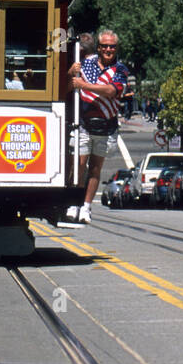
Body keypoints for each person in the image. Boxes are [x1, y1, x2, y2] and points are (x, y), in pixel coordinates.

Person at [66, 29, 128, 225]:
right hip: (84, 123)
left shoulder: (120, 70)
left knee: (95, 168)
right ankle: (73, 202)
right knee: (79, 165)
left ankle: (86, 206)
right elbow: (68, 87)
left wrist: (84, 85)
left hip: (105, 126)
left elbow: (112, 91)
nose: (109, 49)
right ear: (99, 48)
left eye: (112, 46)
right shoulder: (85, 64)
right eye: (105, 46)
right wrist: (70, 75)